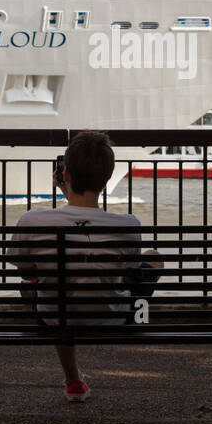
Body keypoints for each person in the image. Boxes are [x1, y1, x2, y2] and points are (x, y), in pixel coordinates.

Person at [10, 131, 163, 401]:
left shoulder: (32, 220)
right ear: (107, 178)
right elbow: (127, 271)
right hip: (110, 316)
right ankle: (137, 315)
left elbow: (25, 270)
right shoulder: (128, 225)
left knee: (46, 286)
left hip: (54, 315)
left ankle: (73, 380)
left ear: (65, 173)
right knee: (153, 257)